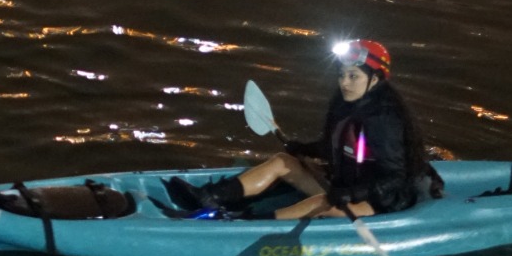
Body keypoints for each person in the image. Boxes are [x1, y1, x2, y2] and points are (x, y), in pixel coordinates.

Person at [165, 40, 441, 220]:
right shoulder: (346, 105)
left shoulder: (384, 121)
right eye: (342, 74)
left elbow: (396, 176)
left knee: (322, 202)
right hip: (345, 185)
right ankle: (209, 198)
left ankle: (246, 223)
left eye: (354, 76)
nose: (345, 82)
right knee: (284, 162)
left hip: (382, 201)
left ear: (376, 80)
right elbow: (338, 146)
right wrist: (304, 148)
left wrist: (352, 194)